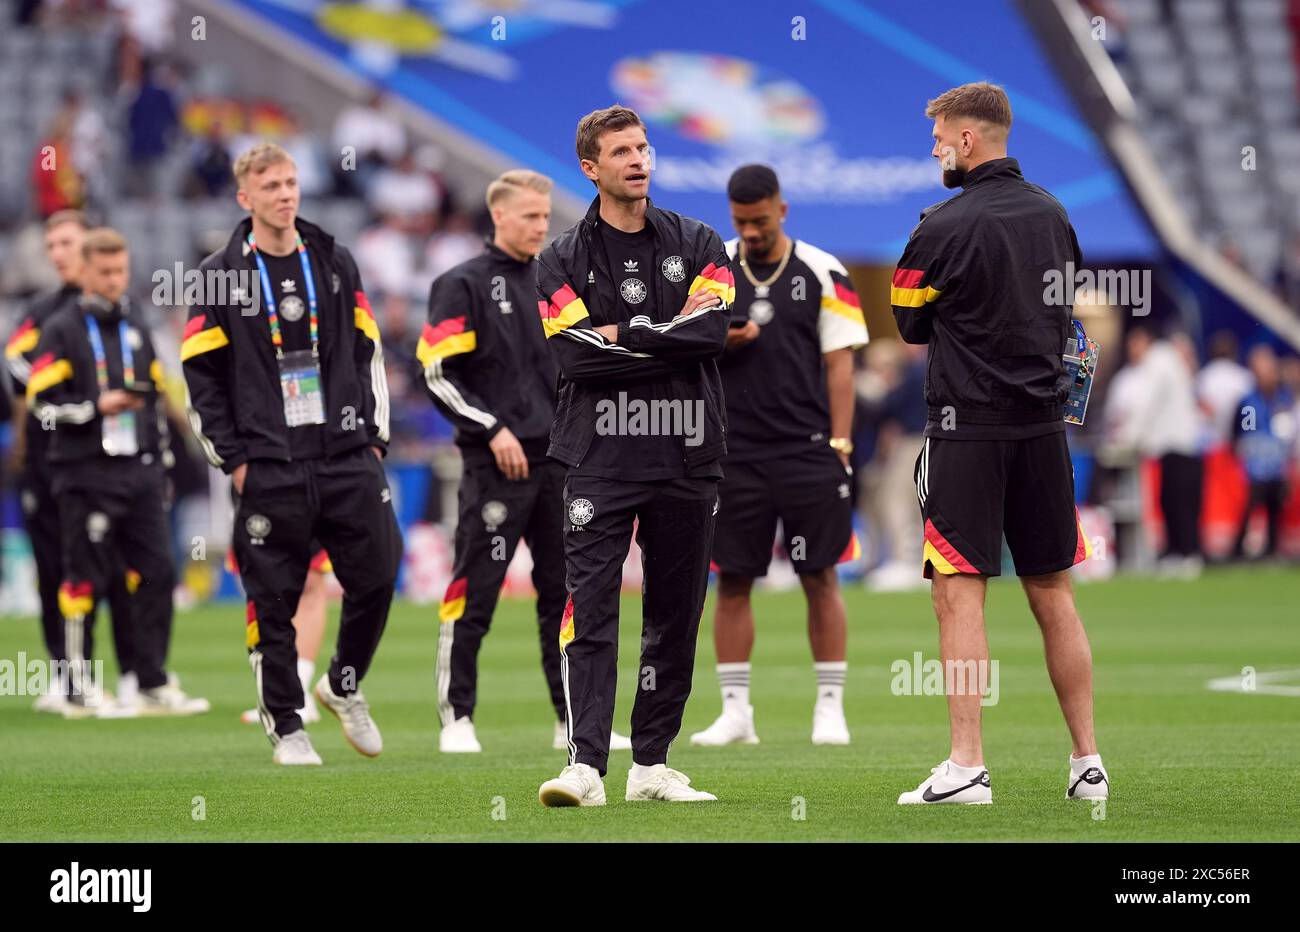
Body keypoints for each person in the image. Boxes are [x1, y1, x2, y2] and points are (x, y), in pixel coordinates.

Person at [890, 82, 1107, 805]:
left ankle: (966, 766)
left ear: (968, 141)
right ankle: (1087, 763)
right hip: (1044, 429)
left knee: (959, 594)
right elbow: (1065, 304)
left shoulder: (941, 225)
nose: (935, 148)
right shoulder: (1054, 212)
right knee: (1054, 590)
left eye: (940, 137)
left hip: (968, 431)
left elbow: (909, 322)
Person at [534, 105, 732, 806]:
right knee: (589, 610)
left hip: (686, 452)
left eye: (644, 147)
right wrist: (662, 335)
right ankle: (585, 764)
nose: (638, 159)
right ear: (591, 168)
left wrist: (624, 332)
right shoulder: (559, 257)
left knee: (675, 614)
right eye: (622, 151)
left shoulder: (701, 238)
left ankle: (652, 764)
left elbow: (713, 331)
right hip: (599, 457)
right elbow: (573, 356)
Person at [182, 142, 403, 765]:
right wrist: (236, 459)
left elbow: (369, 352)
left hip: (344, 452)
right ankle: (286, 725)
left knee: (381, 573)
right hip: (268, 461)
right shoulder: (219, 275)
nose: (284, 194)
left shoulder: (332, 258)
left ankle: (342, 684)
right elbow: (200, 377)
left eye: (290, 182)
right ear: (244, 197)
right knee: (273, 600)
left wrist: (375, 438)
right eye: (270, 186)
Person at [419, 169, 632, 754]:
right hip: (497, 467)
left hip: (563, 465)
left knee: (565, 596)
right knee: (476, 588)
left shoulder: (556, 280)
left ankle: (572, 723)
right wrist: (492, 430)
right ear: (500, 217)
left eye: (545, 216)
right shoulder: (460, 283)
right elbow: (437, 372)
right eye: (531, 216)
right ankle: (456, 716)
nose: (542, 225)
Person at [689, 164, 868, 749]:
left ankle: (831, 707)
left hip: (807, 449)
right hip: (732, 452)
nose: (753, 231)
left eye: (761, 221)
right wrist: (722, 339)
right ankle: (736, 711)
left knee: (821, 575)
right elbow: (683, 345)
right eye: (742, 222)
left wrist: (841, 445)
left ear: (782, 210)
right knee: (732, 580)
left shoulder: (825, 271)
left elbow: (841, 365)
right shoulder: (713, 268)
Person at [26, 227, 207, 717]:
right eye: (104, 273)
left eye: (120, 272)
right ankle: (78, 684)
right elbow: (40, 404)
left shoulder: (136, 327)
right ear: (85, 272)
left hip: (140, 472)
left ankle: (150, 681)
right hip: (84, 473)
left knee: (156, 572)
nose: (113, 281)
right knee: (83, 577)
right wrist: (91, 407)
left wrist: (164, 462)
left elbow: (154, 401)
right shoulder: (61, 328)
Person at [5, 211, 137, 715]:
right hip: (50, 454)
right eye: (51, 244)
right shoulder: (42, 312)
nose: (57, 252)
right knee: (54, 565)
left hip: (113, 459)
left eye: (67, 242)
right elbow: (16, 368)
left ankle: (135, 675)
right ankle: (67, 674)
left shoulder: (119, 313)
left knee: (117, 565)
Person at [1120, 327, 1204, 577]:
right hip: (1183, 442)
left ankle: (1185, 554)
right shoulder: (1168, 359)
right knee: (1174, 501)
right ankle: (1181, 552)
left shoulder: (1158, 360)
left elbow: (1147, 402)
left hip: (1175, 442)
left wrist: (1130, 436)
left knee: (1176, 503)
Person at [1231, 344, 1295, 560]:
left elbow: (1288, 429)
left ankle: (1273, 549)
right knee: (1250, 507)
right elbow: (1242, 432)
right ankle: (1238, 550)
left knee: (1275, 508)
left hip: (1277, 464)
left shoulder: (1284, 398)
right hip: (1255, 465)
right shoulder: (1249, 401)